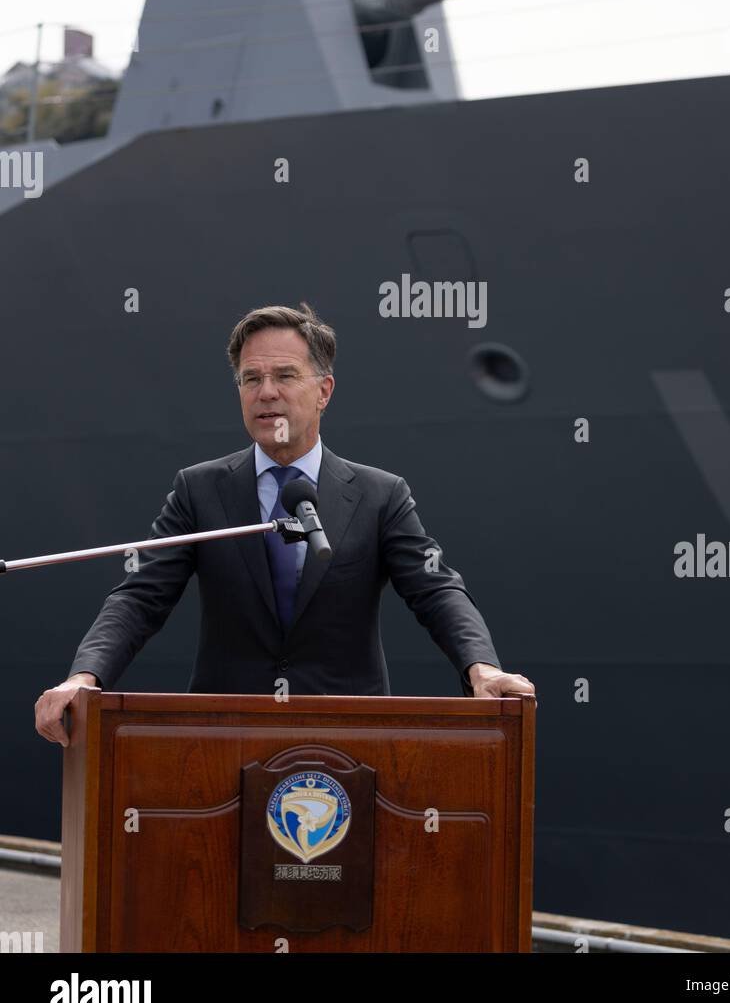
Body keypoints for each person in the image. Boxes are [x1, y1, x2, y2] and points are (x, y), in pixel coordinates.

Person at [35, 303, 534, 745]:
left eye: (285, 376)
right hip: (224, 737)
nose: (266, 393)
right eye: (251, 379)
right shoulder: (200, 489)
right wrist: (85, 677)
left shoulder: (380, 495)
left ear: (324, 391)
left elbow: (436, 590)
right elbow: (141, 594)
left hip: (348, 739)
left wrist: (481, 669)